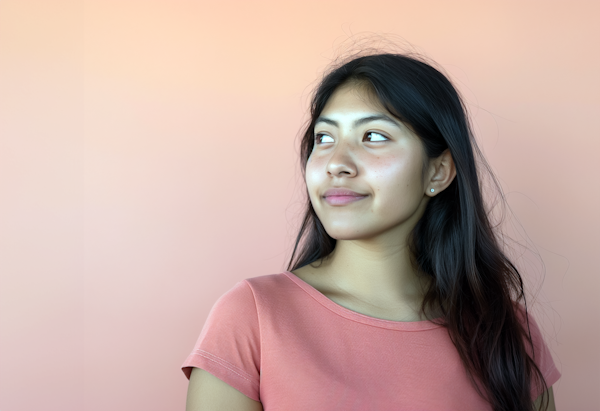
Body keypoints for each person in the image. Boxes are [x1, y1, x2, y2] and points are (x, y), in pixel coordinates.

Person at [182, 52, 560, 411]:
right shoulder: (252, 316)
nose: (337, 164)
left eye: (374, 136)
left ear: (439, 171)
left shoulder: (506, 329)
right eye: (323, 138)